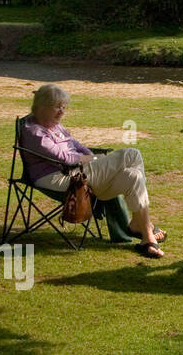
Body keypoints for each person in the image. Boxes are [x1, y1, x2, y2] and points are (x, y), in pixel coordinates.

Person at [20, 83, 164, 258]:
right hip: (57, 178)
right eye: (57, 107)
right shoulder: (34, 132)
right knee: (132, 154)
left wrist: (90, 156)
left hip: (76, 172)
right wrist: (94, 159)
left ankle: (144, 234)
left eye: (64, 107)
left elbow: (76, 146)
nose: (62, 112)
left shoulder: (55, 126)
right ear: (42, 106)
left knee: (133, 176)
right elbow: (64, 158)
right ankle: (143, 226)